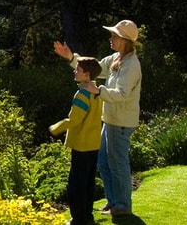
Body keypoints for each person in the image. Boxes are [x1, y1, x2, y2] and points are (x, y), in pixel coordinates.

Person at [54, 20, 142, 218]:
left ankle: (122, 206)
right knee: (103, 162)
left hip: (121, 123)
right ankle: (113, 202)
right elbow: (94, 69)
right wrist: (71, 57)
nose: (111, 38)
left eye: (114, 36)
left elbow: (122, 94)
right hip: (110, 119)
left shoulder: (131, 65)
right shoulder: (116, 58)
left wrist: (98, 90)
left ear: (125, 40)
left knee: (118, 164)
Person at [50, 57, 103, 225]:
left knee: (76, 185)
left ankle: (78, 219)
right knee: (88, 182)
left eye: (78, 70)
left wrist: (56, 128)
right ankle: (87, 216)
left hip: (81, 145)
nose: (75, 71)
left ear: (87, 74)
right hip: (94, 143)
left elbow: (74, 120)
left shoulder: (82, 94)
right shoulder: (98, 92)